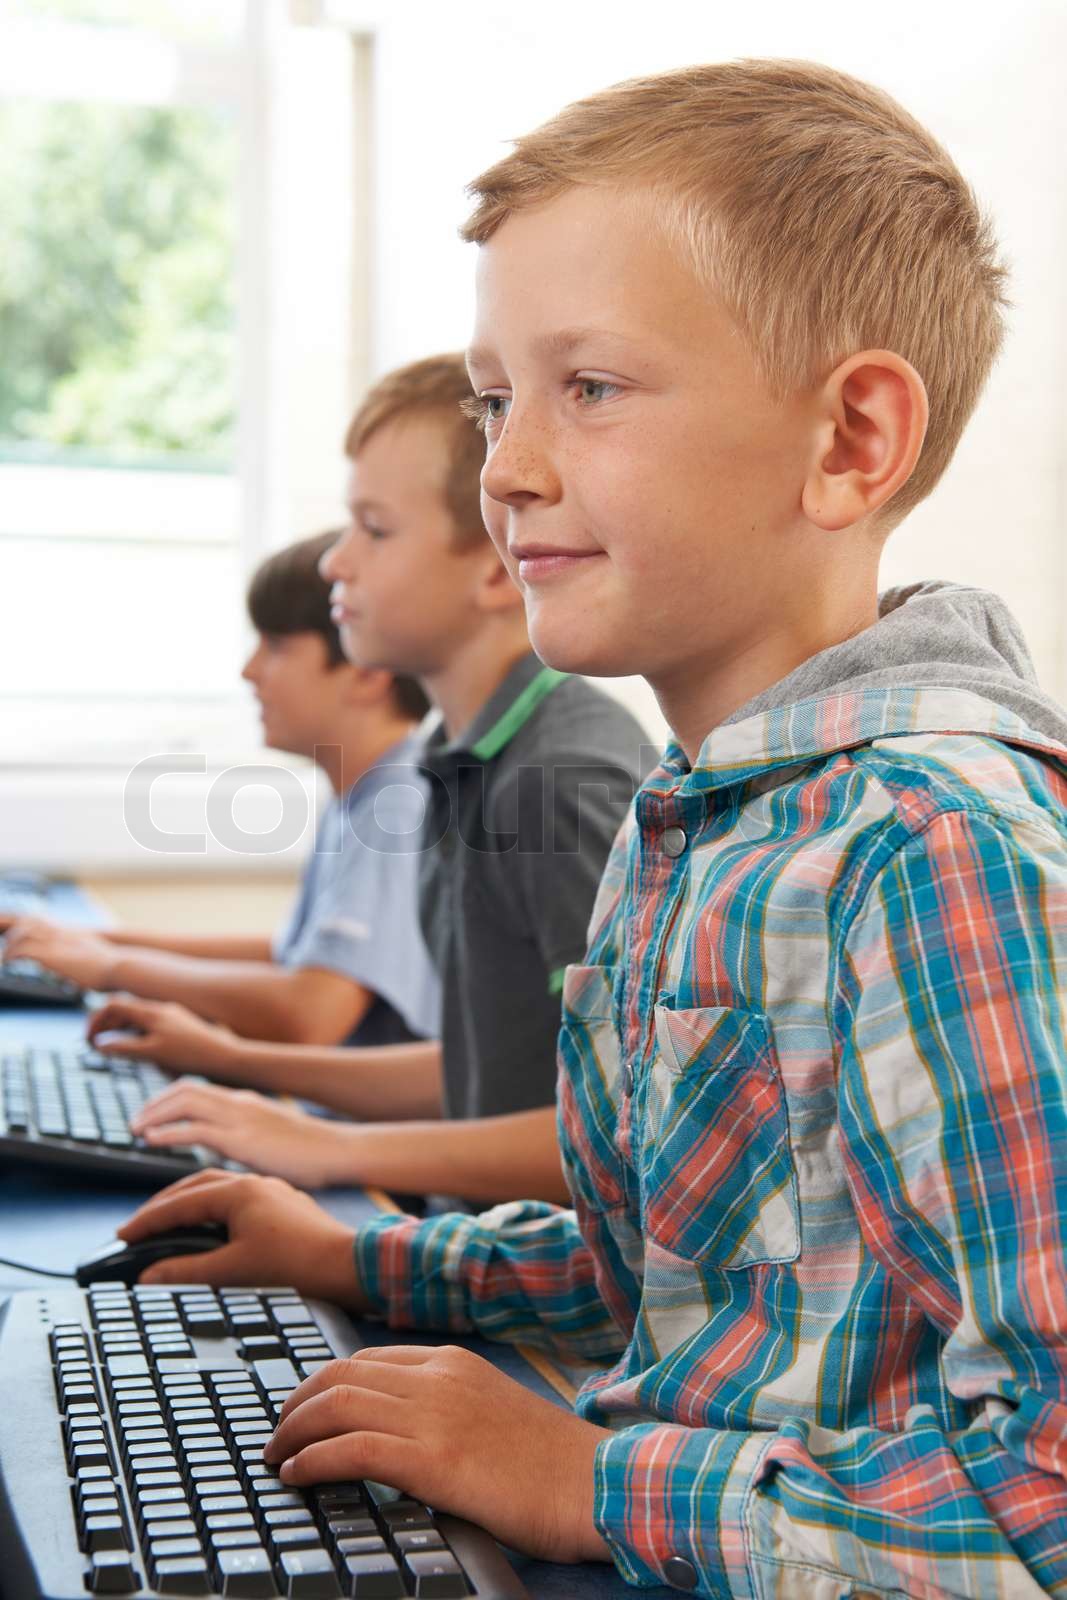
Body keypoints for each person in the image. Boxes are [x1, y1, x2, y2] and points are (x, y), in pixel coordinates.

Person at [116, 60, 1067, 1593]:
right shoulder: (699, 821)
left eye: (591, 389)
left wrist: (582, 1478)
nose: (505, 469)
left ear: (847, 442)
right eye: (497, 400)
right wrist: (355, 1255)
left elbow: (1044, 1504)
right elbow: (681, 1275)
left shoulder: (929, 852)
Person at [91, 355, 651, 1206]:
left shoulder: (561, 781)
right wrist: (239, 1066)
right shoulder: (460, 759)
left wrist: (329, 1146)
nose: (334, 565)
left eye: (374, 530)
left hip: (554, 1318)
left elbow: (622, 1134)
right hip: (479, 1250)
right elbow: (486, 1068)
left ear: (498, 564)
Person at [1, 533, 439, 1048]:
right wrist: (90, 942)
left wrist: (114, 967)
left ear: (366, 672)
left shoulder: (397, 802)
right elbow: (290, 955)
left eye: (275, 646)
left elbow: (312, 1012)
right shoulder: (363, 791)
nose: (249, 671)